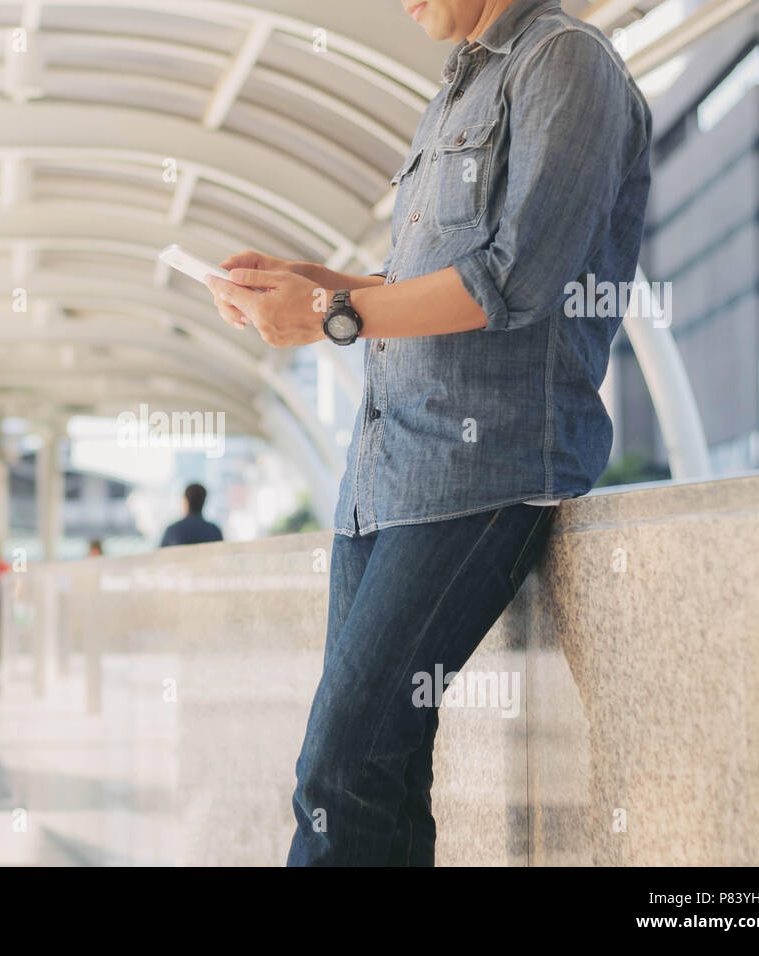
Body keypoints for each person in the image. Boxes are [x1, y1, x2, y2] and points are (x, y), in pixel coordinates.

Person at [206, 0, 651, 865]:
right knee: (377, 772)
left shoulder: (567, 63)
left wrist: (329, 314)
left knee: (339, 770)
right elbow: (417, 280)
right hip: (385, 476)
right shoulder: (462, 80)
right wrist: (307, 281)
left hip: (482, 470)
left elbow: (513, 279)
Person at [159, 483, 223, 547]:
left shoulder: (172, 531)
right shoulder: (214, 531)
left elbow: (160, 555)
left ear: (186, 501)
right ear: (204, 501)